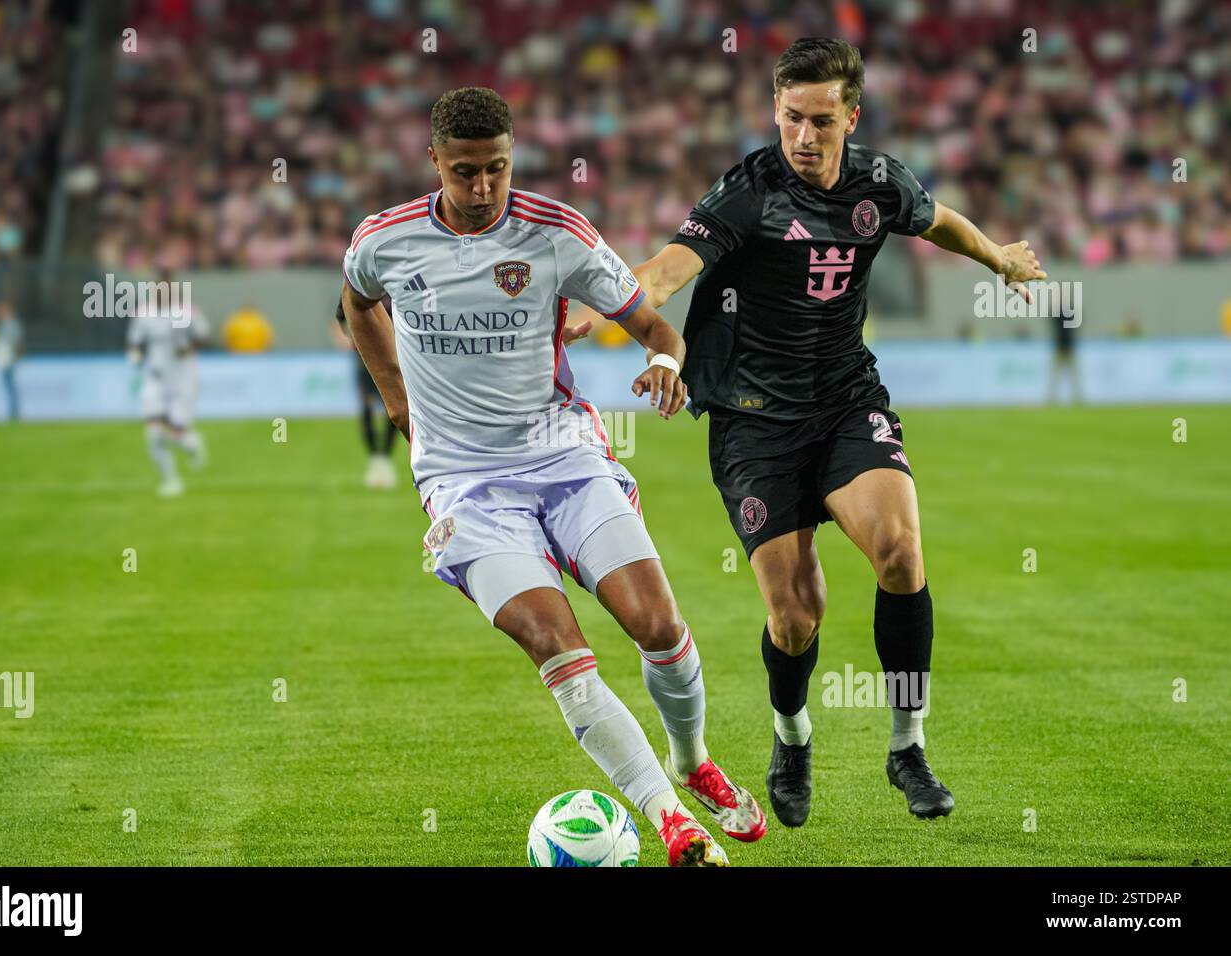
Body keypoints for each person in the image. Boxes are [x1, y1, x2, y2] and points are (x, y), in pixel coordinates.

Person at [341, 87, 767, 866]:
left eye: (497, 170)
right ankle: (672, 821)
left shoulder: (556, 232)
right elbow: (357, 303)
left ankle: (690, 756)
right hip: (465, 488)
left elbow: (651, 320)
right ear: (433, 160)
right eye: (465, 172)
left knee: (659, 628)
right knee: (557, 645)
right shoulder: (384, 240)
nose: (482, 190)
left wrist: (665, 361)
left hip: (564, 458)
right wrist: (397, 398)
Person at [630, 39, 1047, 825]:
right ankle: (793, 738)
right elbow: (668, 267)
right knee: (795, 616)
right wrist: (618, 308)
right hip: (754, 423)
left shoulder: (880, 183)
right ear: (775, 112)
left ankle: (908, 746)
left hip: (846, 399)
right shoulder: (748, 191)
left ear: (851, 116)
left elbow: (938, 221)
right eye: (791, 117)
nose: (804, 136)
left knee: (900, 552)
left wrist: (997, 258)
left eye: (823, 119)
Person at [127, 276, 210, 497]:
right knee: (153, 432)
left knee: (175, 431)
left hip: (183, 377)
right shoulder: (143, 313)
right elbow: (135, 343)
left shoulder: (186, 312)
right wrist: (135, 357)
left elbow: (204, 336)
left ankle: (191, 443)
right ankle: (171, 481)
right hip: (155, 376)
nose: (162, 294)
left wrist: (188, 349)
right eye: (158, 290)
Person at [332, 304, 400, 488]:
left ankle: (384, 457)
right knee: (366, 408)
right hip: (364, 359)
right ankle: (375, 460)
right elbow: (340, 316)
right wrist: (349, 338)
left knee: (395, 411)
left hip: (390, 360)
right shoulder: (358, 282)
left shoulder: (392, 288)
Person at [0, 300, 24, 421]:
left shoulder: (10, 324)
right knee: (9, 386)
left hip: (7, 359)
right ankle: (13, 411)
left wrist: (14, 356)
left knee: (10, 386)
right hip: (5, 358)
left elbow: (14, 342)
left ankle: (14, 412)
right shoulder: (4, 324)